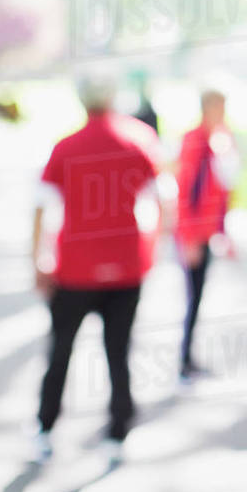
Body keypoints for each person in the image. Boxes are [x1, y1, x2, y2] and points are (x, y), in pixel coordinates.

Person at [30, 72, 160, 465]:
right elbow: (160, 202)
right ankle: (119, 426)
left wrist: (37, 258)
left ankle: (46, 427)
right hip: (125, 268)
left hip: (75, 271)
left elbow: (42, 206)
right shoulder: (138, 140)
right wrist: (151, 250)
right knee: (119, 350)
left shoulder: (66, 147)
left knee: (61, 350)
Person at [174, 85, 238, 383]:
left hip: (208, 232)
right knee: (192, 297)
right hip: (193, 236)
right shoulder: (194, 141)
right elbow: (186, 191)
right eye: (219, 107)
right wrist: (189, 237)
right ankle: (185, 360)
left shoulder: (219, 141)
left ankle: (190, 357)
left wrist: (223, 232)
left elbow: (222, 190)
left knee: (199, 297)